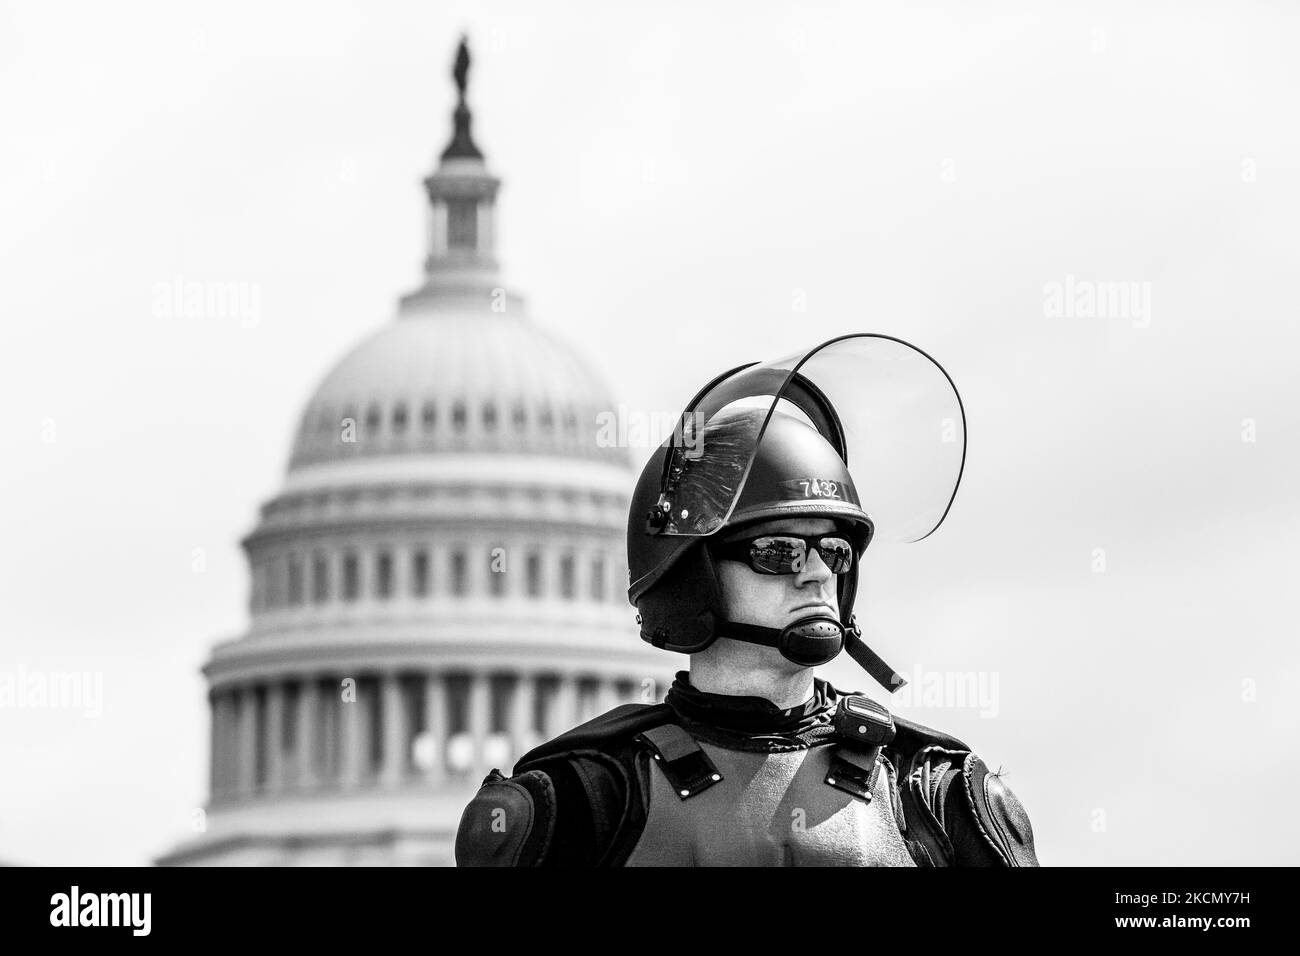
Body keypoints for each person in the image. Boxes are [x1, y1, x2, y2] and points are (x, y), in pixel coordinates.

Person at [455, 334, 1039, 866]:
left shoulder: (934, 792)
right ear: (691, 579)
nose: (815, 575)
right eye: (778, 551)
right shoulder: (583, 801)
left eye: (834, 552)